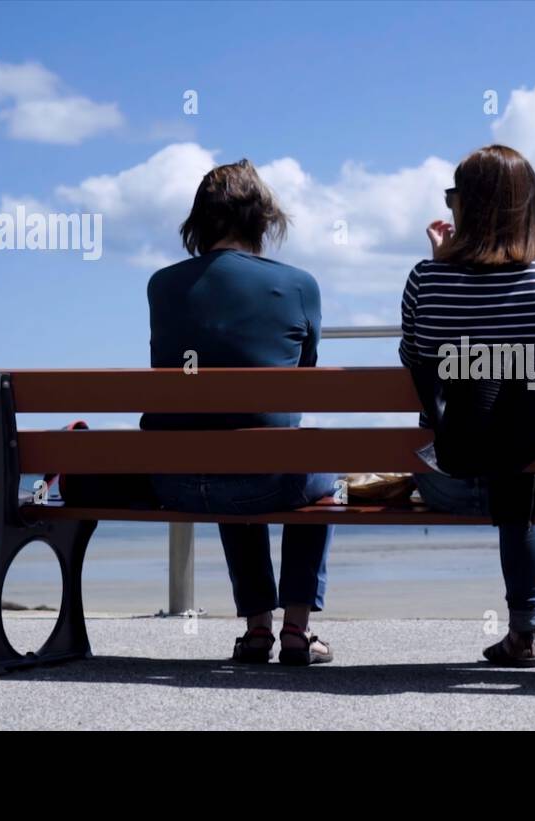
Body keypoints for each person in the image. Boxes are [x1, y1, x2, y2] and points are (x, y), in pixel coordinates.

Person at [399, 144, 535, 668]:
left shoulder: (426, 280)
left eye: (454, 198)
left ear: (466, 207)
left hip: (449, 478)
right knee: (525, 462)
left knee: (512, 463)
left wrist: (442, 265)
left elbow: (411, 358)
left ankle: (525, 629)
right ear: (530, 208)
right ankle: (526, 629)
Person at [143, 159, 334, 666]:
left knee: (223, 440)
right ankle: (296, 630)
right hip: (266, 479)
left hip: (176, 481)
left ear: (199, 221)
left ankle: (256, 631)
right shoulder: (299, 285)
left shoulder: (162, 286)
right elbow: (305, 380)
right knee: (299, 459)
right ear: (263, 219)